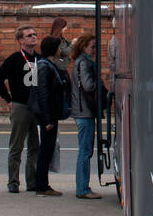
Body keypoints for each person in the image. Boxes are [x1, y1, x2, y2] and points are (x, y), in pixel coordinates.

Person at [0, 26, 41, 193]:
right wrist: (8, 99)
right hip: (20, 105)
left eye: (34, 34)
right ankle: (13, 181)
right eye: (29, 35)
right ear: (21, 40)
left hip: (36, 107)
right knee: (16, 145)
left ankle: (32, 180)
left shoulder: (39, 59)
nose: (33, 37)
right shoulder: (14, 59)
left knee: (35, 145)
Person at [29, 35, 66, 197]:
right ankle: (41, 184)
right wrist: (47, 119)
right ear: (54, 49)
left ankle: (42, 183)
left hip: (50, 114)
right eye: (59, 47)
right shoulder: (45, 66)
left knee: (47, 148)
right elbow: (43, 93)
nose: (61, 50)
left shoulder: (47, 65)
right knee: (46, 149)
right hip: (48, 115)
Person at [69, 33, 103, 200]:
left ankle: (82, 187)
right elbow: (89, 86)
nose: (95, 50)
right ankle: (82, 188)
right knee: (85, 151)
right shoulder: (84, 63)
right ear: (83, 47)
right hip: (85, 111)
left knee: (85, 150)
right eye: (92, 47)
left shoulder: (80, 61)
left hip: (82, 110)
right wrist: (100, 85)